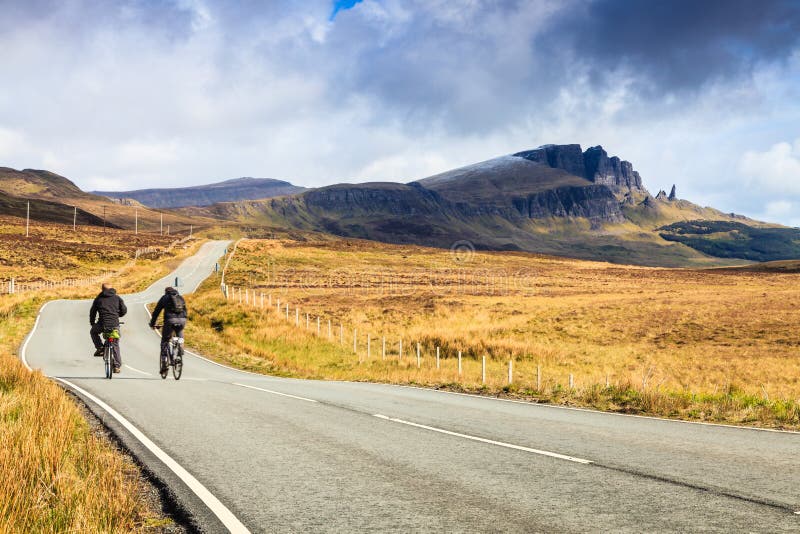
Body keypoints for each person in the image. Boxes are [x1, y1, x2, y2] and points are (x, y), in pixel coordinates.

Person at [90, 282, 127, 372]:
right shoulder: (117, 298)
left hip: (102, 324)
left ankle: (100, 348)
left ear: (102, 289)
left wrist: (92, 323)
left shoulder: (98, 299)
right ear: (112, 289)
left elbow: (93, 312)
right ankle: (117, 366)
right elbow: (124, 310)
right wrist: (118, 315)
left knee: (93, 332)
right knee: (115, 344)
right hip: (114, 324)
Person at [149, 286, 187, 372]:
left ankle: (164, 362)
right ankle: (181, 346)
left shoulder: (165, 298)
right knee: (180, 334)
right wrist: (183, 320)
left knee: (165, 340)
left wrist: (152, 323)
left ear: (166, 292)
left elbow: (156, 311)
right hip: (182, 320)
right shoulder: (180, 297)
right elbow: (185, 311)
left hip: (169, 321)